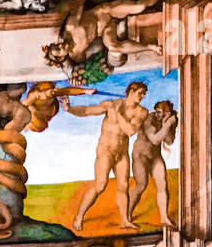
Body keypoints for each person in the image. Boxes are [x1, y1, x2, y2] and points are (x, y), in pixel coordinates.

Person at [62, 83, 151, 231]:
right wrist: (70, 109)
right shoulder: (113, 104)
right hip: (106, 152)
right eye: (140, 93)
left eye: (143, 94)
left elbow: (129, 130)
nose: (142, 97)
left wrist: (117, 113)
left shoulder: (141, 112)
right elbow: (87, 111)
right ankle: (79, 217)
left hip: (121, 153)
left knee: (124, 185)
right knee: (100, 185)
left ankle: (124, 221)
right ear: (131, 91)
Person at [128, 100, 178, 227]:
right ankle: (127, 214)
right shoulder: (148, 119)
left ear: (167, 113)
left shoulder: (169, 120)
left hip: (155, 156)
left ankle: (164, 218)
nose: (157, 115)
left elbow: (169, 141)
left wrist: (168, 124)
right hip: (141, 156)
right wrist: (166, 125)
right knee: (141, 186)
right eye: (156, 111)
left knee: (163, 184)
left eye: (160, 113)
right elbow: (155, 139)